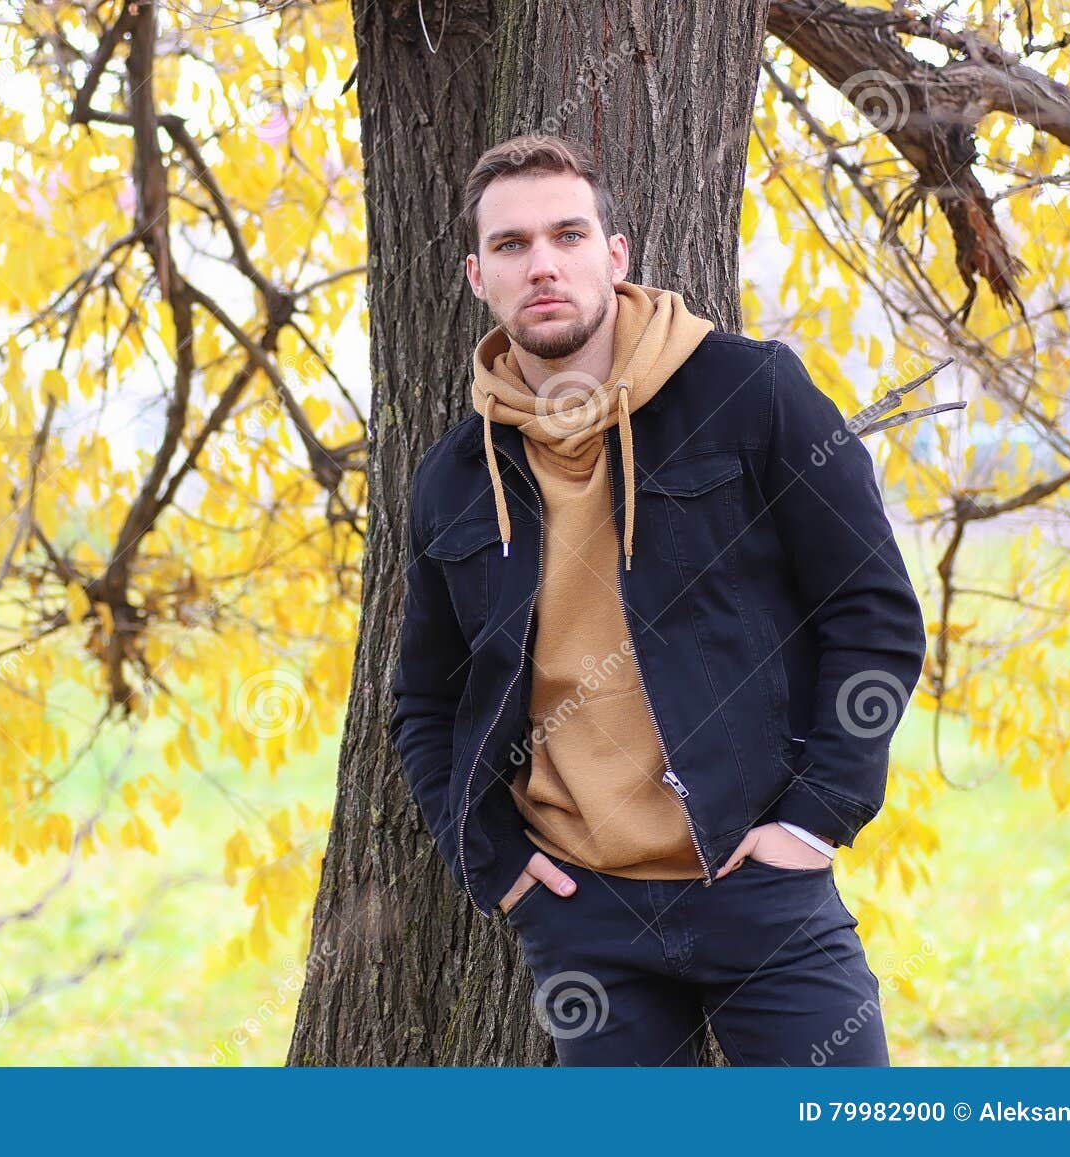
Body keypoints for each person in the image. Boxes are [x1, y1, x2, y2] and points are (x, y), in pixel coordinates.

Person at [388, 133, 928, 1066]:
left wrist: (814, 817)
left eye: (568, 233)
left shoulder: (751, 393)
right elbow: (425, 700)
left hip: (759, 883)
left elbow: (871, 613)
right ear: (478, 276)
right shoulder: (453, 480)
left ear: (616, 254)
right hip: (585, 916)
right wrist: (494, 859)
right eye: (512, 246)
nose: (543, 263)